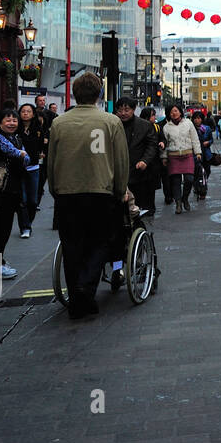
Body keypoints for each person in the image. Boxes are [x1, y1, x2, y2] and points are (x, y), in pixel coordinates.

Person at [47, 72, 128, 321]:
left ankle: (77, 301)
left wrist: (54, 188)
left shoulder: (59, 123)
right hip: (100, 191)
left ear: (74, 94)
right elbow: (120, 161)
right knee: (100, 242)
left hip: (67, 193)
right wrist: (120, 189)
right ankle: (86, 288)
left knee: (72, 246)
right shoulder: (111, 122)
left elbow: (51, 161)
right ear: (99, 94)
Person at [0, 108, 30, 279]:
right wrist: (21, 154)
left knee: (5, 229)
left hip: (13, 189)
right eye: (8, 120)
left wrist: (22, 154)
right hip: (0, 190)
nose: (12, 123)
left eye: (14, 120)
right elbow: (16, 153)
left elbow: (26, 158)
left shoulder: (16, 137)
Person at [116, 97, 159, 216]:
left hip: (140, 171)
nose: (123, 113)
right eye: (119, 110)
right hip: (119, 172)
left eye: (126, 110)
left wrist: (145, 161)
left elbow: (152, 145)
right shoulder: (112, 124)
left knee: (141, 208)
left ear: (133, 109)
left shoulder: (144, 125)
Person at [161, 103, 202, 214]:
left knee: (189, 179)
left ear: (180, 111)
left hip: (187, 154)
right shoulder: (166, 127)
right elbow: (165, 143)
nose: (174, 113)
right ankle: (178, 203)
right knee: (175, 181)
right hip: (173, 156)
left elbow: (195, 139)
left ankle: (185, 198)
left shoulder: (188, 123)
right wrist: (164, 157)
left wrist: (198, 152)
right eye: (171, 111)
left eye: (176, 111)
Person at [16, 104, 47, 237]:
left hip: (34, 167)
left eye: (28, 111)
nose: (25, 113)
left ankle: (28, 222)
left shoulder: (38, 129)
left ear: (33, 114)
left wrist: (41, 153)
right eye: (23, 111)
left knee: (33, 201)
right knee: (22, 199)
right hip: (18, 168)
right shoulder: (16, 129)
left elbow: (42, 145)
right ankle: (25, 227)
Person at [192, 111, 214, 200]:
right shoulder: (191, 129)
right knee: (197, 172)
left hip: (206, 153)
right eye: (195, 118)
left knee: (207, 171)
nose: (197, 120)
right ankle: (200, 189)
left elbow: (211, 139)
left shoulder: (207, 128)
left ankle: (202, 187)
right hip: (195, 154)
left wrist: (208, 142)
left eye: (199, 118)